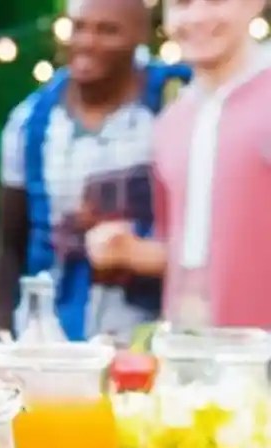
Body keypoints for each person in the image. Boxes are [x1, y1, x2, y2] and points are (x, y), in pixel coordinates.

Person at [0, 0, 190, 341]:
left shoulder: (176, 105)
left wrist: (136, 251)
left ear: (139, 36)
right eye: (78, 27)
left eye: (108, 30)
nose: (86, 41)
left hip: (152, 337)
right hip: (51, 341)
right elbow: (10, 241)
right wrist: (4, 331)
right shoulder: (30, 123)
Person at [89, 0, 271, 329]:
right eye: (182, 4)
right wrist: (127, 250)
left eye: (216, 1)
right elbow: (186, 250)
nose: (198, 17)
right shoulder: (171, 121)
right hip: (190, 355)